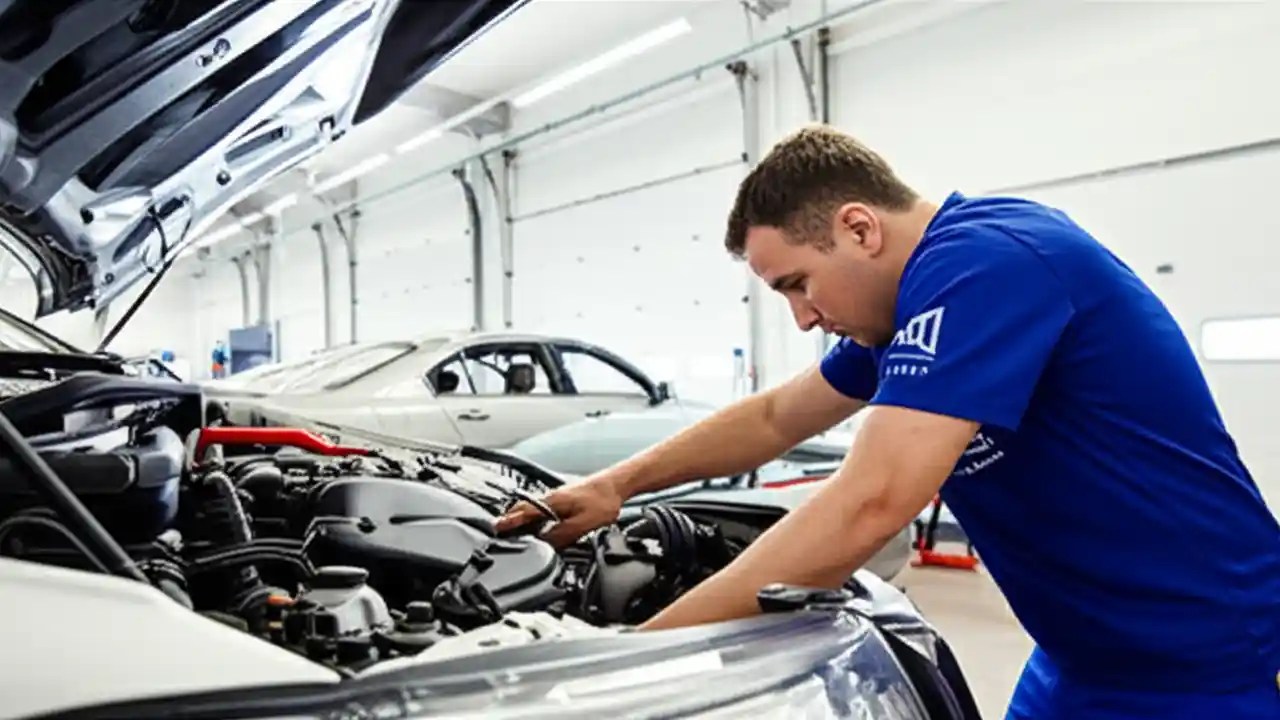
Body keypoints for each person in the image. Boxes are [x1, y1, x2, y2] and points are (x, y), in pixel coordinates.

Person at [497, 125, 1280, 718]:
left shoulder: (989, 262)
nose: (804, 318)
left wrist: (628, 665)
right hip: (1083, 659)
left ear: (860, 229)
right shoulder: (901, 316)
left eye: (798, 285)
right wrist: (612, 486)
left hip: (1212, 662)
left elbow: (873, 499)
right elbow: (776, 416)